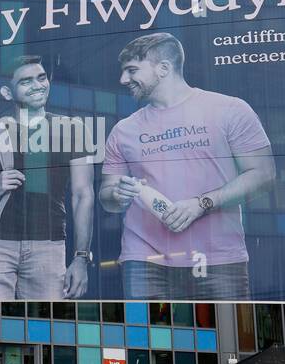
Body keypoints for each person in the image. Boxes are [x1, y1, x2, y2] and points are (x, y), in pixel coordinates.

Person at [99, 33, 275, 300]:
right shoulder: (123, 130)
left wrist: (201, 203)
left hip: (218, 258)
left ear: (164, 69)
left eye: (132, 70)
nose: (124, 80)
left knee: (228, 341)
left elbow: (263, 175)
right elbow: (107, 197)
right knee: (147, 342)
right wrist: (116, 194)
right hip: (145, 259)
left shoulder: (230, 109)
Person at [0, 57, 96, 300]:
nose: (38, 85)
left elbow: (83, 195)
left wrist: (81, 258)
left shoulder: (73, 130)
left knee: (45, 329)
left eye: (41, 77)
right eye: (26, 81)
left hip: (48, 248)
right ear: (7, 92)